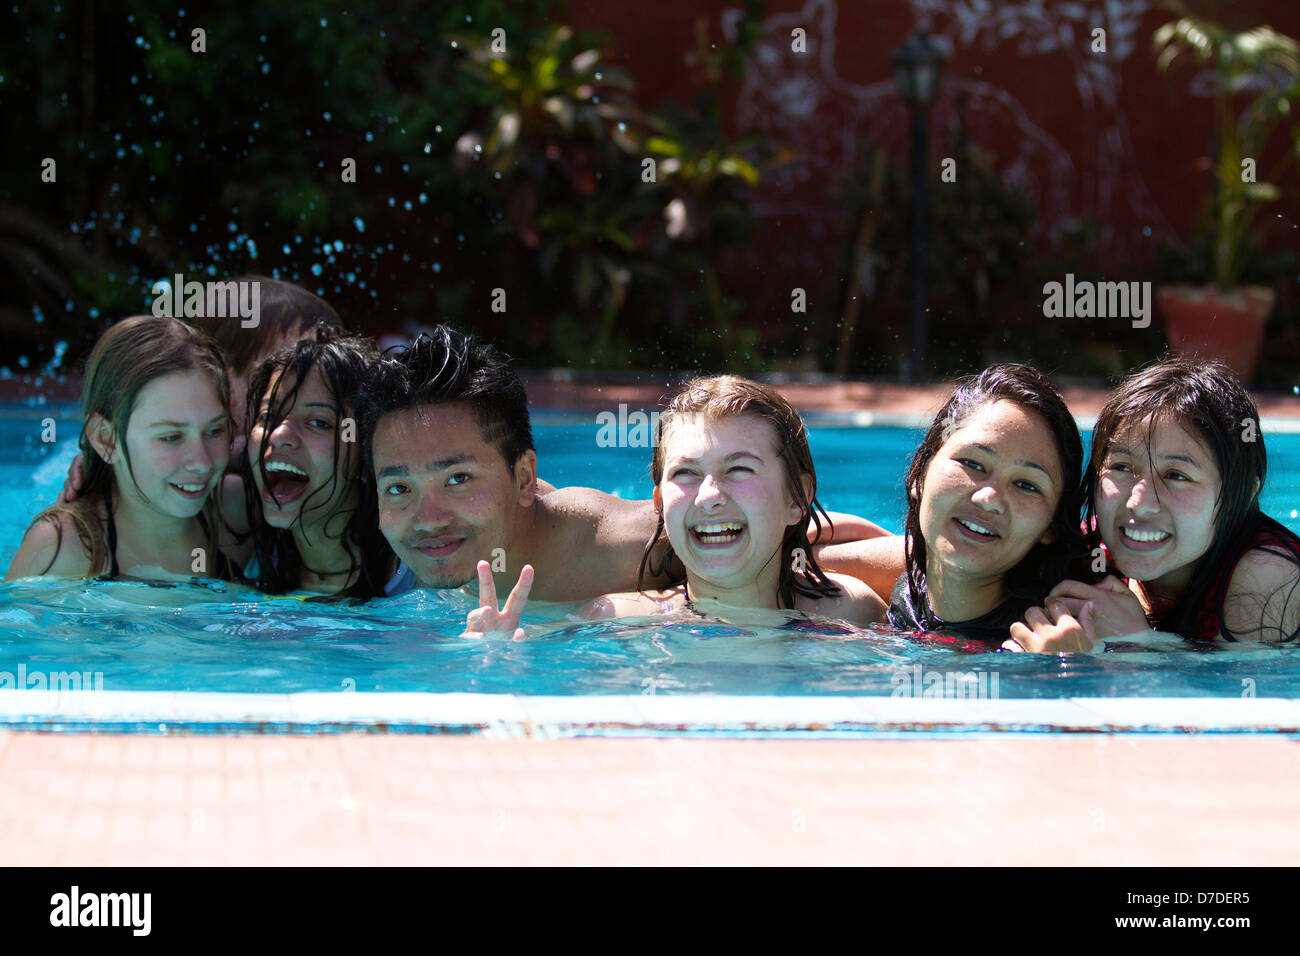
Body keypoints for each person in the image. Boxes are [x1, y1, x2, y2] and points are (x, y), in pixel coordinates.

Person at [1031, 359, 1300, 645]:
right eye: (1121, 467)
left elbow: (1235, 687)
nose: (1139, 503)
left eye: (1176, 475)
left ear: (1244, 495)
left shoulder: (1267, 580)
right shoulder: (1090, 551)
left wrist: (1140, 642)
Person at [822, 364, 1087, 649]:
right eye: (973, 464)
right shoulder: (907, 586)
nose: (989, 498)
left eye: (1027, 485)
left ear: (1052, 526)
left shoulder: (1066, 640)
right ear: (919, 475)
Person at [5, 316, 235, 581]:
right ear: (106, 439)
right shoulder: (66, 549)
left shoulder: (234, 517)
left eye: (214, 431)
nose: (202, 462)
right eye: (171, 437)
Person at [240, 334, 396, 597]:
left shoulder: (419, 578)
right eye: (268, 415)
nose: (278, 436)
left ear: (368, 456)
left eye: (319, 423)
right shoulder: (242, 558)